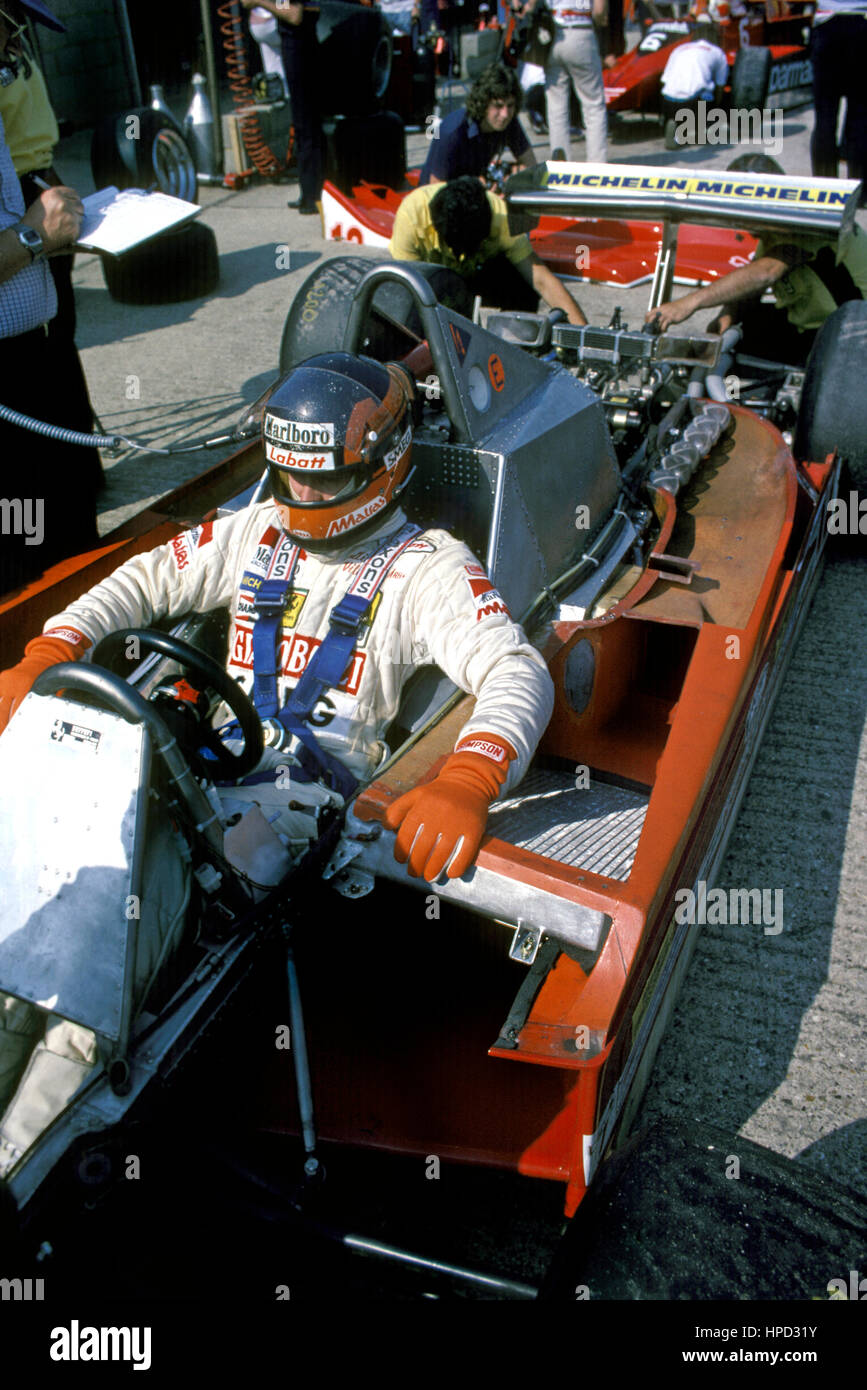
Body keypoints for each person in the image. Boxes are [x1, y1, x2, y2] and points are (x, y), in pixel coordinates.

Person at [0, 350, 555, 1174]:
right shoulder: (255, 530)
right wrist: (54, 647)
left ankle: (22, 1168)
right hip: (190, 769)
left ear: (384, 464)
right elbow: (145, 577)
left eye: (321, 483)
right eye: (288, 478)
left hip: (289, 821)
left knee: (89, 979)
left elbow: (516, 670)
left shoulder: (427, 566)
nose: (300, 498)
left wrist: (470, 776)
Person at [0, 0, 99, 596]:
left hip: (30, 357)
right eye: (9, 25)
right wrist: (33, 234)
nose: (17, 47)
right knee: (23, 568)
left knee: (70, 545)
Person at [645, 224, 867, 364]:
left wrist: (688, 303)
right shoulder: (773, 235)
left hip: (855, 335)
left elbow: (765, 273)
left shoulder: (812, 225)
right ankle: (723, 402)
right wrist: (728, 315)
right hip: (816, 327)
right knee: (716, 348)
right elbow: (751, 289)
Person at [390, 174, 588, 321]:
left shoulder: (501, 216)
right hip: (433, 281)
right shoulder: (411, 217)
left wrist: (585, 338)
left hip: (477, 273)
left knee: (523, 285)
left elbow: (542, 280)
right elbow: (406, 292)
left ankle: (513, 344)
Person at [241, 0, 322, 213]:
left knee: (307, 122)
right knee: (302, 120)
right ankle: (310, 191)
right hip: (294, 42)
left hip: (300, 44)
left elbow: (294, 13)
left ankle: (314, 195)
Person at [519, 0, 608, 164]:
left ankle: (560, 163)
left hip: (552, 33)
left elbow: (530, 6)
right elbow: (599, 11)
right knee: (593, 105)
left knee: (556, 106)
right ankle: (597, 164)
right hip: (581, 31)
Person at [419, 62, 537, 186]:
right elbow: (435, 189)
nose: (505, 114)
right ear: (483, 103)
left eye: (510, 105)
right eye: (498, 106)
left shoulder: (509, 122)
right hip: (439, 194)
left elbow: (532, 166)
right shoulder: (453, 131)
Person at [809, 0, 867, 196]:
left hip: (828, 22)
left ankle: (825, 191)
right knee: (860, 116)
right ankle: (859, 192)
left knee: (825, 116)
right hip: (862, 22)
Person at [659, 19, 728, 149]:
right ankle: (698, 129)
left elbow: (664, 80)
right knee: (708, 90)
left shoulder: (679, 49)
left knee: (679, 92)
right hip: (694, 101)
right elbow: (720, 86)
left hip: (668, 99)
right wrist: (717, 109)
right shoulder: (717, 52)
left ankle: (673, 123)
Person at [247, 4, 289, 96]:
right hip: (272, 22)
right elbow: (283, 6)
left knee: (273, 65)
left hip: (257, 23)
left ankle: (279, 96)